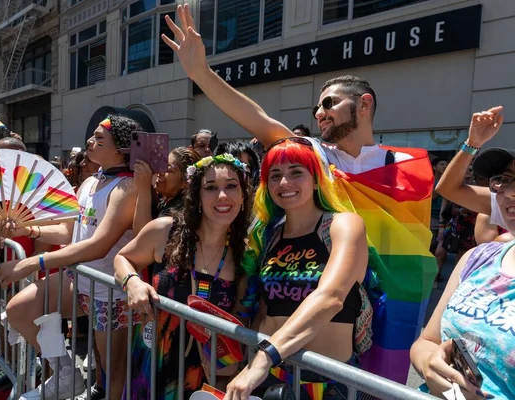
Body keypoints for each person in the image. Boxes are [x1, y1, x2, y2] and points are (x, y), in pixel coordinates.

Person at [162, 3, 434, 383]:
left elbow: (417, 246)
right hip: (287, 347)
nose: (319, 113)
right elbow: (257, 118)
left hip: (379, 308)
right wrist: (201, 74)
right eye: (317, 107)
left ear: (364, 105)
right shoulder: (314, 156)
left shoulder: (408, 166)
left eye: (329, 104)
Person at [0, 115, 142, 400]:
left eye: (100, 139)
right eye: (93, 136)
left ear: (121, 149)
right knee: (19, 310)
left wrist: (30, 263)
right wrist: (27, 228)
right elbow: (67, 232)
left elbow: (98, 246)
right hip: (79, 280)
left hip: (109, 292)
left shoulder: (128, 187)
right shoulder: (89, 183)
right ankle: (65, 374)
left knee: (110, 370)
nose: (90, 141)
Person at [224, 138, 369, 399]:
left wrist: (265, 356)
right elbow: (266, 308)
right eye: (275, 175)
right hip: (272, 377)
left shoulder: (344, 225)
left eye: (296, 173)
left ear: (316, 180)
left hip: (327, 385)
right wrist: (250, 361)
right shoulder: (268, 235)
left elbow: (331, 297)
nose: (284, 183)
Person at [114, 153, 252, 399]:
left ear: (243, 196)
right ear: (197, 196)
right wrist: (132, 282)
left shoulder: (243, 254)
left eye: (231, 186)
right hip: (150, 365)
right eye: (210, 188)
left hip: (202, 378)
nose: (222, 196)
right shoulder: (165, 230)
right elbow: (123, 259)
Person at [410, 146, 515, 399]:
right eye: (504, 180)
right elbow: (426, 341)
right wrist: (429, 365)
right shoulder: (477, 259)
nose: (509, 193)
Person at [436, 106, 505, 228]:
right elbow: (448, 189)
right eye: (507, 179)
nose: (509, 190)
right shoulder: (506, 199)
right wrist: (473, 143)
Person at [132, 147, 200, 236]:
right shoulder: (164, 200)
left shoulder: (178, 211)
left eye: (168, 170)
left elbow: (141, 238)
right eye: (162, 166)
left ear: (185, 182)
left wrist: (143, 190)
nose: (161, 172)